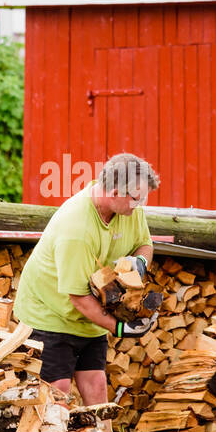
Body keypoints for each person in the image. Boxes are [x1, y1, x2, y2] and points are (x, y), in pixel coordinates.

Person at [13, 153, 161, 406]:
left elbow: (144, 244)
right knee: (56, 392)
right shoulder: (77, 229)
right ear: (115, 192)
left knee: (96, 385)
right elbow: (79, 298)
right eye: (138, 198)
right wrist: (119, 328)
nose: (141, 204)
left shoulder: (129, 209)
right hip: (49, 313)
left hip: (89, 315)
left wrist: (141, 262)